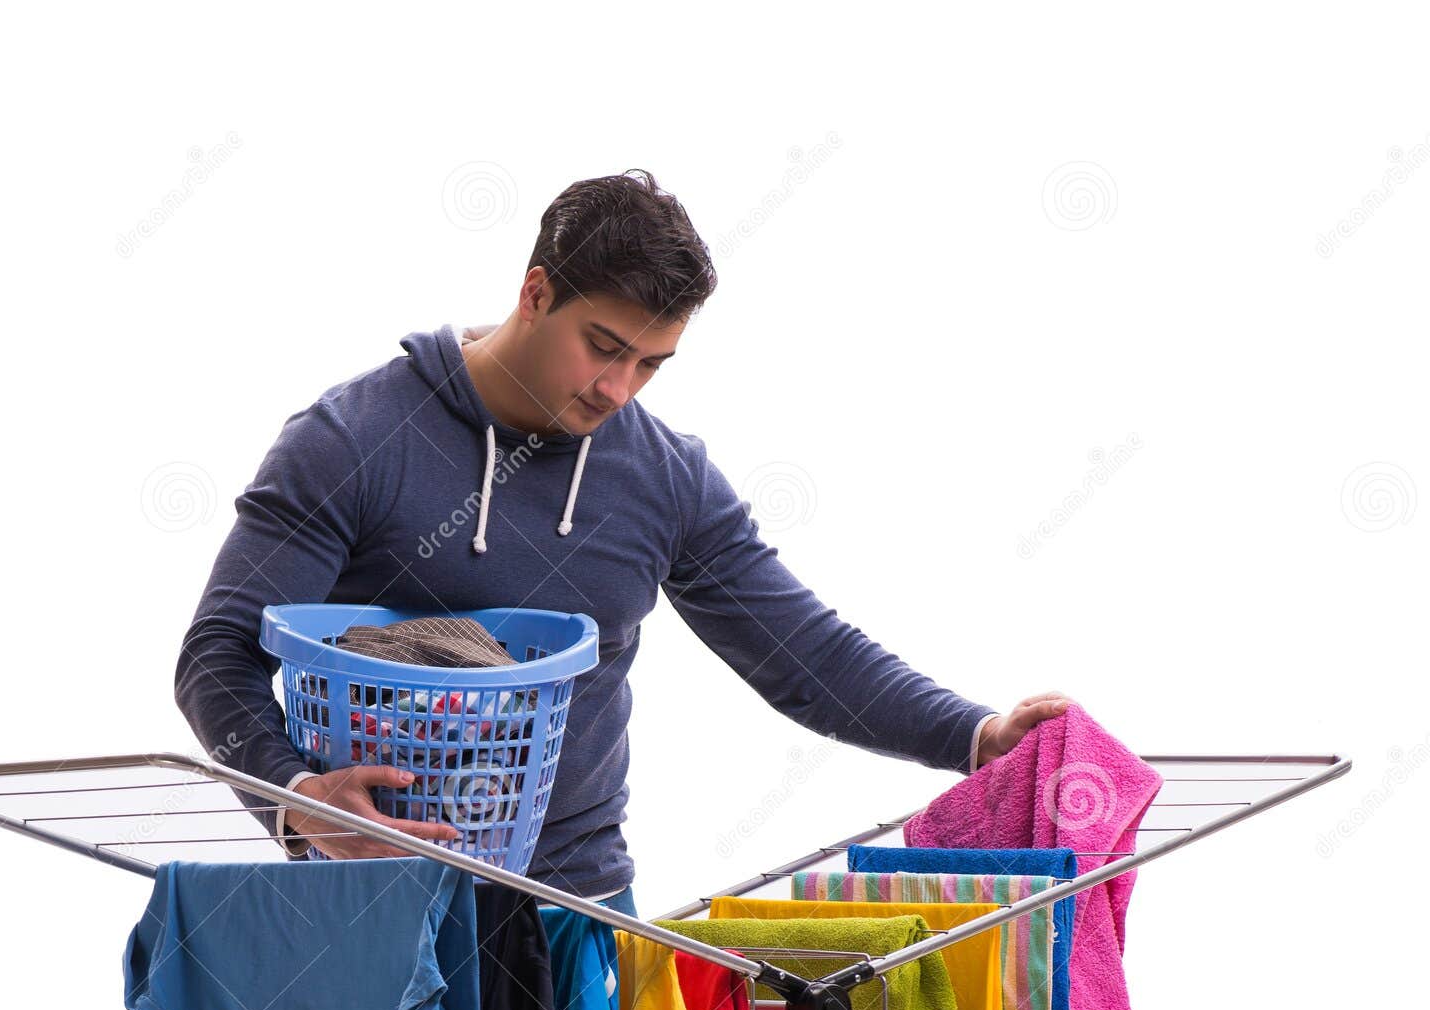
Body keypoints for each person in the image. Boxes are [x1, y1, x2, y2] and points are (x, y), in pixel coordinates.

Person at [173, 168, 1069, 924]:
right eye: (601, 347)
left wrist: (977, 735)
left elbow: (805, 654)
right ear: (535, 292)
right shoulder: (354, 439)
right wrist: (297, 803)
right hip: (369, 908)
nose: (616, 388)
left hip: (583, 909)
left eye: (650, 364)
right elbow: (216, 657)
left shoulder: (664, 477)